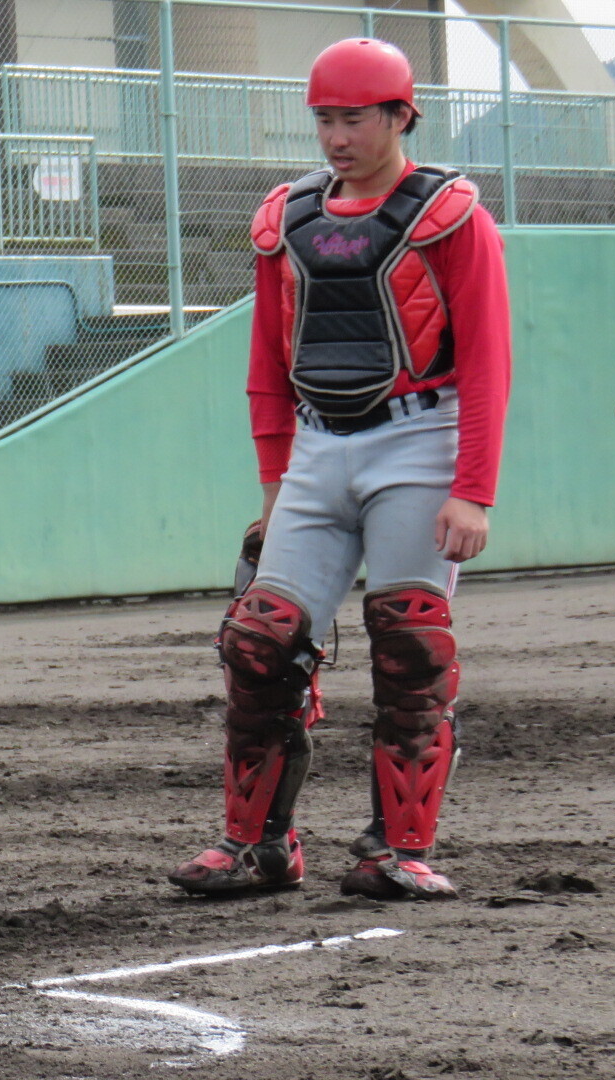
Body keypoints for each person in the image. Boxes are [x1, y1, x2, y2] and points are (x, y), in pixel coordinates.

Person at [168, 38, 510, 901]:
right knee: (260, 641)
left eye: (353, 118)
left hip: (420, 439)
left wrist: (473, 490)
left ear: (400, 115)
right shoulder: (289, 217)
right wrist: (276, 481)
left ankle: (397, 850)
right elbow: (265, 360)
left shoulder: (451, 215)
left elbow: (489, 363)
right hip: (319, 446)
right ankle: (259, 847)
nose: (335, 136)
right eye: (324, 119)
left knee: (409, 647)